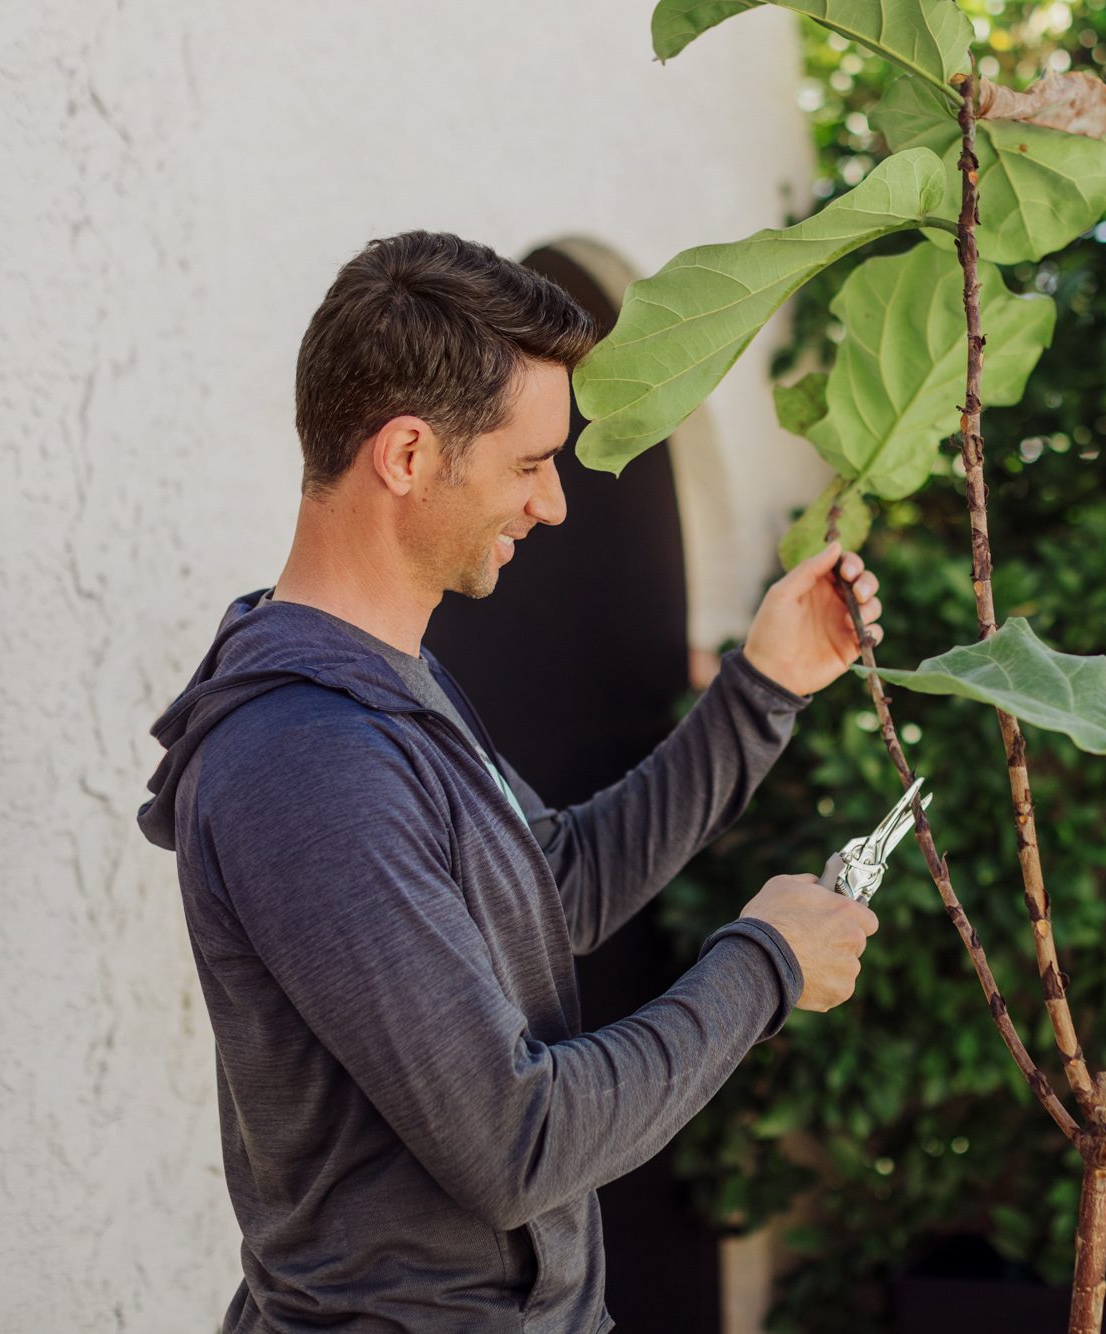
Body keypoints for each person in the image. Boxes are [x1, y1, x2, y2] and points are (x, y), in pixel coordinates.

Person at [136, 231, 887, 1333]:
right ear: (406, 456)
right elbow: (514, 1139)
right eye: (529, 464)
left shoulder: (391, 690)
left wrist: (766, 683)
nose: (553, 504)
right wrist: (764, 966)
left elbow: (558, 884)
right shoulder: (307, 759)